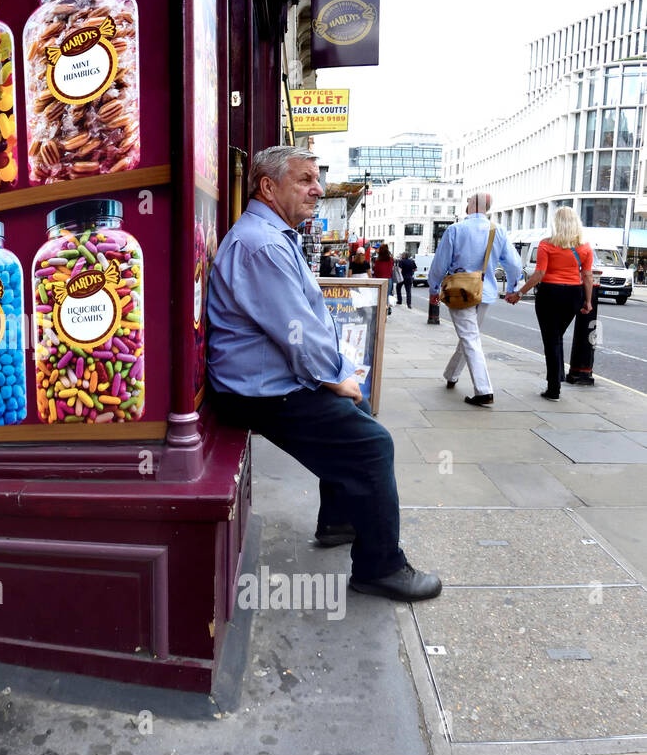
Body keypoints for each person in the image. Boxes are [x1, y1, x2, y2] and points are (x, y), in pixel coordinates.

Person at [206, 145, 441, 602]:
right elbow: (296, 333)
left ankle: (339, 521)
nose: (318, 190)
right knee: (373, 445)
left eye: (317, 179)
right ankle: (380, 568)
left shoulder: (273, 235)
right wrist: (336, 377)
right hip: (255, 390)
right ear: (268, 187)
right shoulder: (263, 244)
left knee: (356, 416)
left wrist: (338, 376)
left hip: (265, 380)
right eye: (305, 180)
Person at [428, 193, 524, 406]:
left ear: (473, 205)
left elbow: (439, 263)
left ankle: (484, 390)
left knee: (470, 338)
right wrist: (511, 288)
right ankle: (451, 375)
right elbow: (514, 264)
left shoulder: (456, 230)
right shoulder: (497, 230)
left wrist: (434, 288)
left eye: (468, 202)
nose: (466, 205)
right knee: (469, 336)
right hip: (486, 292)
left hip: (460, 291)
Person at [515, 207, 594, 400]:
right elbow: (587, 275)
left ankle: (553, 388)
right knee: (556, 337)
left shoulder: (546, 245)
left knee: (551, 340)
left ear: (556, 223)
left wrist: (519, 293)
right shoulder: (585, 247)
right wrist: (588, 301)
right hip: (574, 294)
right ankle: (557, 376)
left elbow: (540, 274)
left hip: (550, 293)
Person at [372, 245, 395, 315]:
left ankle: (379, 311)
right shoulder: (391, 259)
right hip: (388, 279)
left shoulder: (377, 260)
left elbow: (376, 271)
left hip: (379, 280)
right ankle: (386, 311)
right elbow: (391, 270)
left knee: (379, 296)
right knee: (387, 296)